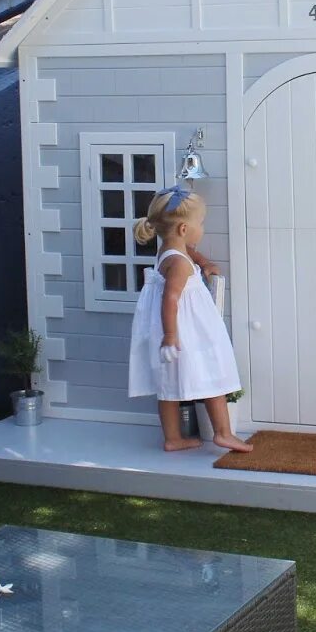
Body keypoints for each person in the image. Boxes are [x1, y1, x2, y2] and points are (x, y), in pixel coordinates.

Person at [129, 185, 252, 453]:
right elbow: (170, 299)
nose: (203, 228)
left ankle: (173, 438)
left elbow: (189, 251)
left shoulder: (168, 251)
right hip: (186, 332)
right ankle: (223, 433)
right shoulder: (180, 265)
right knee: (213, 373)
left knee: (168, 386)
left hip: (173, 332)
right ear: (184, 229)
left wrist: (204, 262)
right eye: (201, 223)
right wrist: (171, 335)